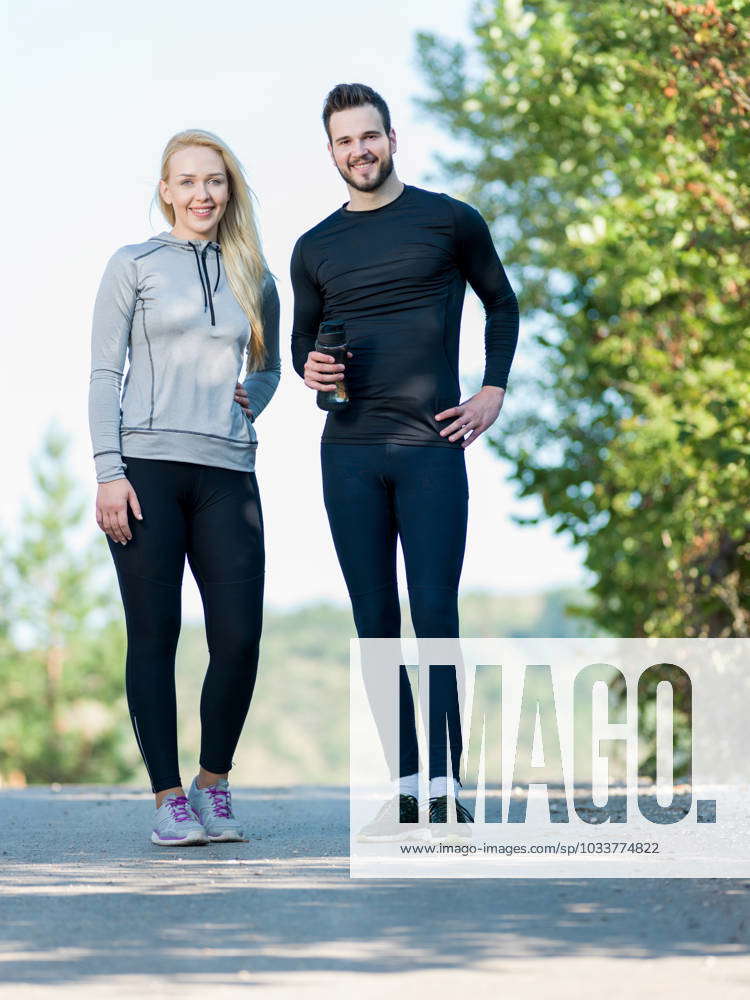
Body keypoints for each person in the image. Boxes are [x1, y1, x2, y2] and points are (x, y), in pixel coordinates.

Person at [286, 83, 519, 840]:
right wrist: (310, 369)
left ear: (392, 138)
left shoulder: (450, 220)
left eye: (369, 136)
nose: (359, 151)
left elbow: (502, 303)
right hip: (348, 454)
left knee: (435, 614)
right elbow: (303, 343)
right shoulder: (314, 247)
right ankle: (410, 784)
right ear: (330, 152)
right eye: (344, 141)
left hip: (431, 450)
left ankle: (447, 783)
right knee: (375, 621)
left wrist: (492, 390)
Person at [88, 129, 280, 846]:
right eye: (189, 181)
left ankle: (213, 782)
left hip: (229, 472)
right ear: (166, 191)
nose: (203, 194)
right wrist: (109, 471)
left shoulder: (254, 275)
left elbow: (267, 366)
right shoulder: (132, 264)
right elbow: (104, 373)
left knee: (239, 637)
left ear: (230, 191)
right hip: (146, 470)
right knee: (154, 634)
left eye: (215, 181)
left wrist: (254, 400)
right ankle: (168, 798)